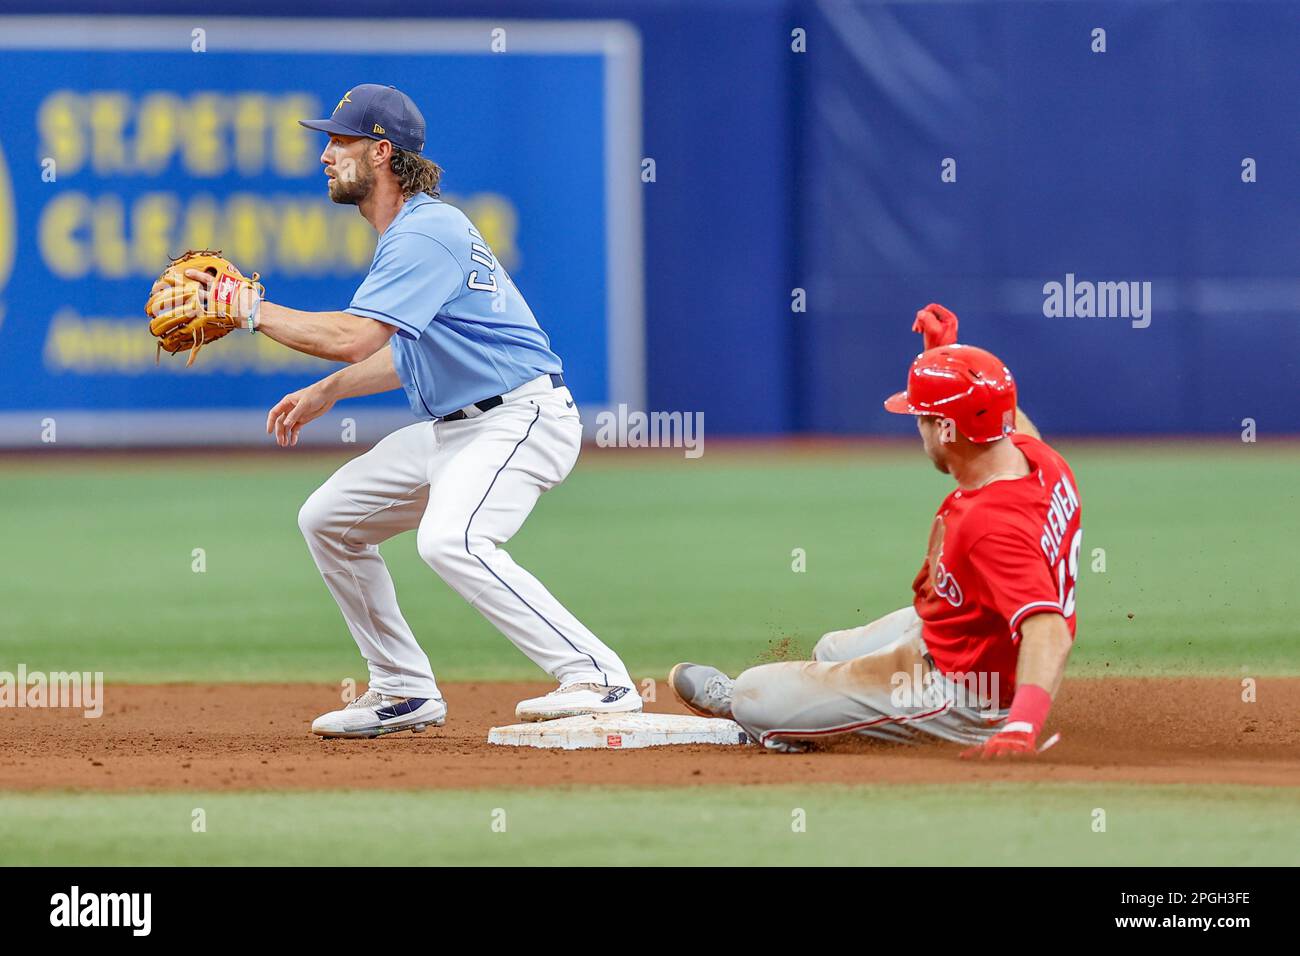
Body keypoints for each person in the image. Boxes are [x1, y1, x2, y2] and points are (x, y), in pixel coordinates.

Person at [186, 84, 641, 738]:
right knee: (329, 519)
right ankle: (402, 689)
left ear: (380, 151)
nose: (325, 154)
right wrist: (331, 391)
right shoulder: (416, 230)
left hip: (520, 419)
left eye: (338, 140)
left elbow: (353, 337)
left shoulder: (426, 232)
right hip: (458, 428)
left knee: (452, 540)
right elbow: (408, 351)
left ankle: (599, 677)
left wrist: (250, 310)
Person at [669, 304, 1081, 758]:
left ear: (946, 429)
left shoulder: (990, 524)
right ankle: (827, 706)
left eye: (922, 417)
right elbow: (1001, 416)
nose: (917, 429)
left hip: (962, 693)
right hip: (958, 633)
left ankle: (810, 722)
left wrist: (1021, 726)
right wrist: (945, 358)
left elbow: (1047, 629)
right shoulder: (1040, 461)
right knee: (828, 650)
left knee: (752, 696)